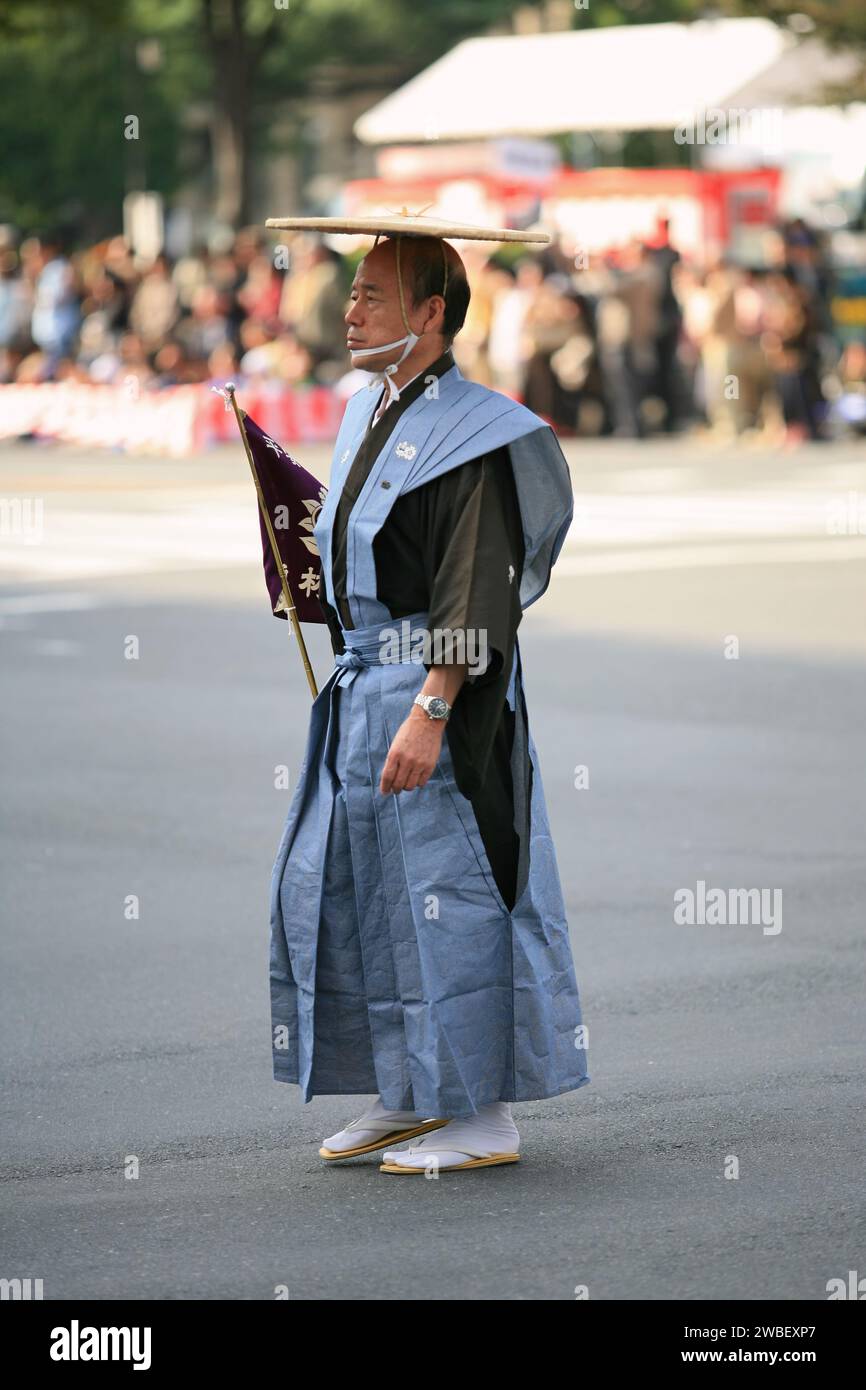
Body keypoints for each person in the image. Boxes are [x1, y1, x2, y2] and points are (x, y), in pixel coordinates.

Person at [266, 213, 590, 1174]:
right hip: (365, 686)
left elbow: (475, 584)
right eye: (354, 291)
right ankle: (406, 1091)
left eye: (372, 293)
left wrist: (434, 707)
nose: (350, 308)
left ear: (432, 311)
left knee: (449, 891)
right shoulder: (369, 408)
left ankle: (482, 1107)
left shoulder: (475, 431)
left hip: (433, 688)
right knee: (366, 893)